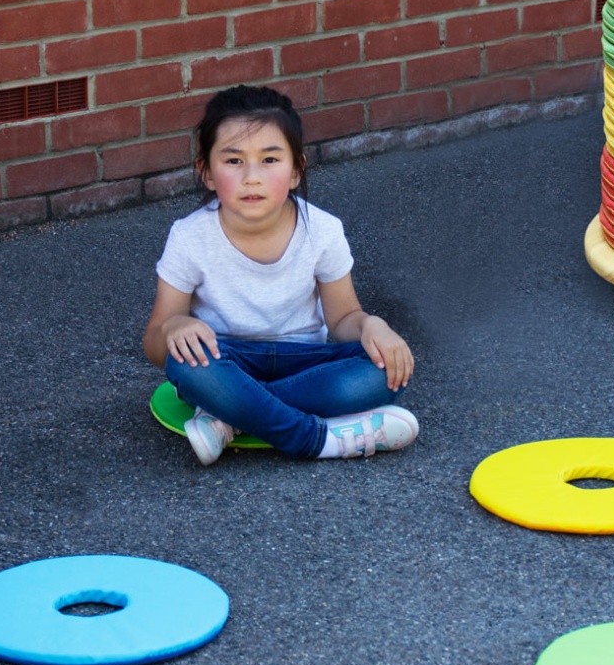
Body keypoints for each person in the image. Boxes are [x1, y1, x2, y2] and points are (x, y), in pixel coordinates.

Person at [143, 85, 418, 465]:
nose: (251, 177)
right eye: (234, 161)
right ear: (206, 173)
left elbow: (341, 320)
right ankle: (316, 440)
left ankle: (231, 415)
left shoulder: (323, 231)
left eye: (270, 159)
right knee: (184, 364)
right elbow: (155, 344)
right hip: (227, 361)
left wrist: (373, 325)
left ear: (295, 171)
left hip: (306, 361)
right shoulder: (190, 237)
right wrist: (173, 328)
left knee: (384, 370)